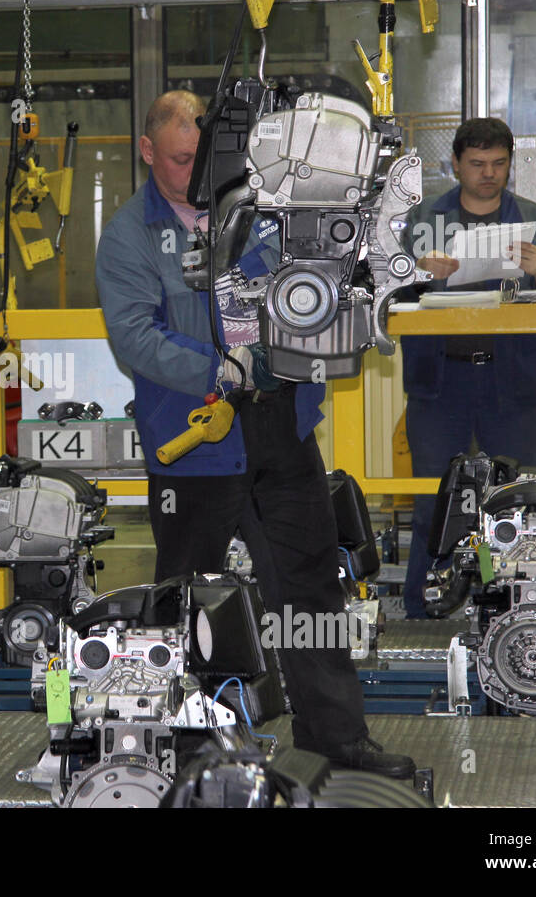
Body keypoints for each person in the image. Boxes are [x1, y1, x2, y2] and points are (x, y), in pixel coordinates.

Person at [94, 90, 414, 778]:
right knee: (190, 601)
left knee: (310, 589)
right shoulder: (130, 235)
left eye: (207, 156)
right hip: (197, 437)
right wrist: (222, 367)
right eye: (182, 159)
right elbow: (135, 339)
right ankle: (187, 749)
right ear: (149, 151)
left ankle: (336, 736)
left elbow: (309, 289)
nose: (197, 171)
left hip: (281, 426)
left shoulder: (266, 216)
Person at [400, 118, 536, 619]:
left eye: (498, 164)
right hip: (439, 385)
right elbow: (384, 293)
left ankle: (512, 611)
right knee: (434, 503)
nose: (488, 174)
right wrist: (417, 273)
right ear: (455, 163)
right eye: (477, 164)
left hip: (510, 383)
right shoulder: (425, 221)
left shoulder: (534, 221)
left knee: (517, 503)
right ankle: (422, 610)